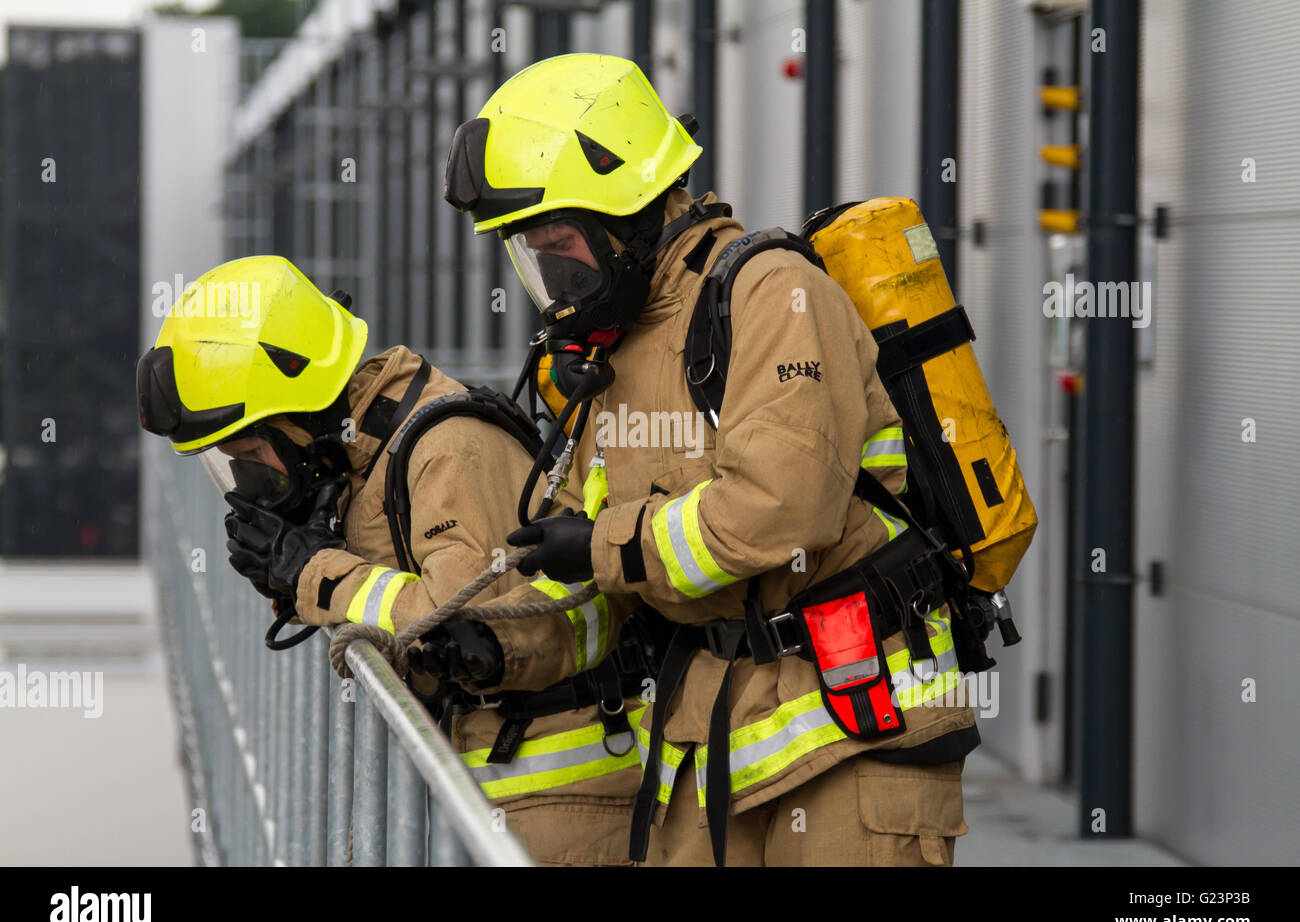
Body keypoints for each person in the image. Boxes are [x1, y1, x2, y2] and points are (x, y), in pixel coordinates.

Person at [443, 54, 978, 866]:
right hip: (710, 726)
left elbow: (781, 511)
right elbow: (592, 556)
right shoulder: (620, 346)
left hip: (852, 727)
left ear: (625, 213)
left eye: (559, 248)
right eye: (529, 258)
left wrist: (599, 546)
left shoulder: (771, 295)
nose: (552, 284)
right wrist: (471, 634)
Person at [136, 254, 648, 865]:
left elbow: (458, 630)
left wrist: (315, 573)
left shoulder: (446, 449)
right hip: (482, 801)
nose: (245, 483)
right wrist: (292, 570)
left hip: (550, 806)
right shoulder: (358, 456)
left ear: (298, 417)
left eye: (247, 453)